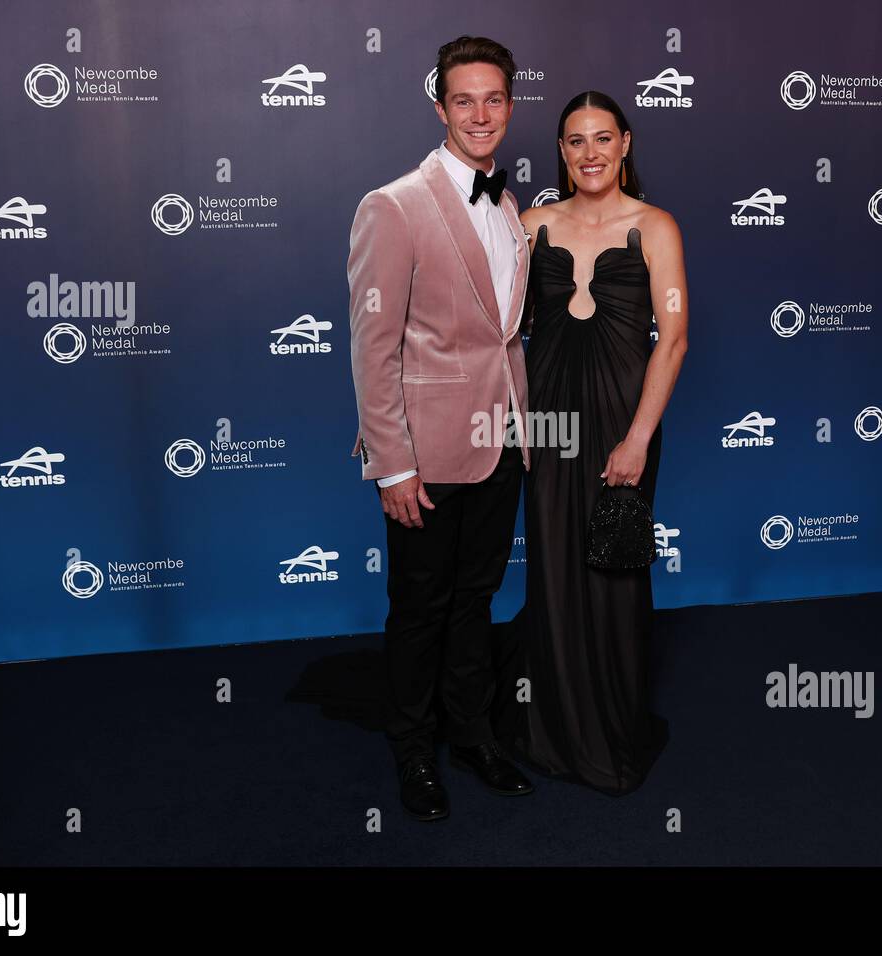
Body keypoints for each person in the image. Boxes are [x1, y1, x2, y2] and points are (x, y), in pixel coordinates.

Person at [346, 36, 536, 821]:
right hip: (425, 450)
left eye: (494, 99)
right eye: (465, 100)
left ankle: (474, 735)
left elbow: (503, 334)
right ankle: (414, 753)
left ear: (510, 105)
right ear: (440, 107)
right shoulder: (394, 204)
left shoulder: (511, 202)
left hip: (504, 441)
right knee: (421, 605)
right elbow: (373, 345)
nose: (480, 114)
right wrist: (392, 464)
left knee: (477, 598)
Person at [494, 91, 688, 796]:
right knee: (551, 567)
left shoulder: (655, 227)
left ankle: (609, 731)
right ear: (562, 151)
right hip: (547, 422)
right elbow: (502, 330)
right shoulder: (533, 222)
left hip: (619, 423)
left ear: (626, 143)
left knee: (613, 575)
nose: (590, 153)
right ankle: (550, 730)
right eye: (575, 142)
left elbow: (674, 341)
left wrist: (637, 438)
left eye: (603, 138)